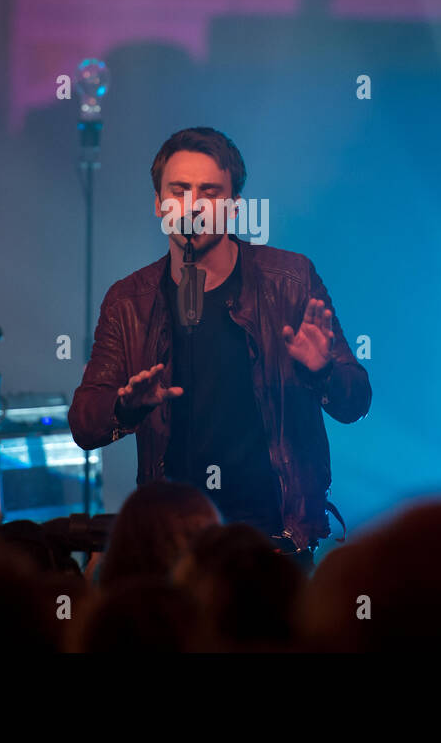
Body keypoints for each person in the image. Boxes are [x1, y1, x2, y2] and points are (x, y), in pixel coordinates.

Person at [69, 128, 371, 569]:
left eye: (209, 192)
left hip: (275, 545)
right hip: (173, 552)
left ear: (232, 205)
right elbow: (84, 424)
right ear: (159, 204)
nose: (192, 205)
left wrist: (322, 371)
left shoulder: (289, 280)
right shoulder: (129, 300)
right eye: (179, 191)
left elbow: (355, 401)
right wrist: (125, 407)